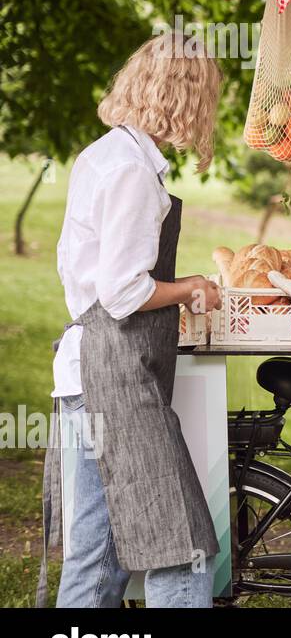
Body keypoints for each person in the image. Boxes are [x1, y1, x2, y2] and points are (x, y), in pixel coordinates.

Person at [39, 33, 225, 608]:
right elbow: (123, 292)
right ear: (185, 96)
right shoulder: (132, 173)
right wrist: (190, 287)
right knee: (181, 542)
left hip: (86, 373)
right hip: (113, 379)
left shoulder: (106, 155)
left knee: (97, 555)